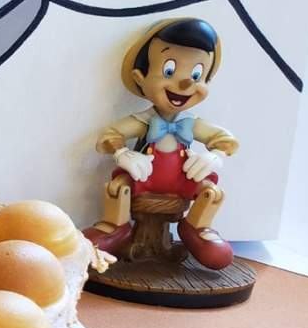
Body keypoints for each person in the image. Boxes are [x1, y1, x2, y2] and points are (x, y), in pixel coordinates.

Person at [83, 18, 238, 270]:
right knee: (117, 187)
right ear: (140, 77)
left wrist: (215, 156)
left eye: (196, 75)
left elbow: (226, 140)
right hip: (144, 179)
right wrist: (122, 153)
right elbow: (109, 135)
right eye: (169, 71)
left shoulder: (192, 123)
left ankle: (197, 228)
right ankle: (114, 226)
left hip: (183, 180)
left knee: (212, 192)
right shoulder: (144, 120)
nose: (186, 83)